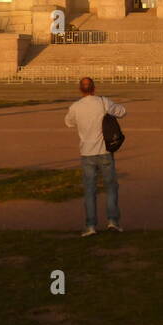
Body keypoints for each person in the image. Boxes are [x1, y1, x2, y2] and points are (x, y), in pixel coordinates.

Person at [65, 76, 127, 237]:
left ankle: (90, 225)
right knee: (111, 188)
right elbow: (122, 111)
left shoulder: (75, 107)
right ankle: (113, 222)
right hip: (105, 152)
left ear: (80, 90)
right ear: (94, 88)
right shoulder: (103, 102)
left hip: (87, 153)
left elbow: (69, 122)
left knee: (89, 190)